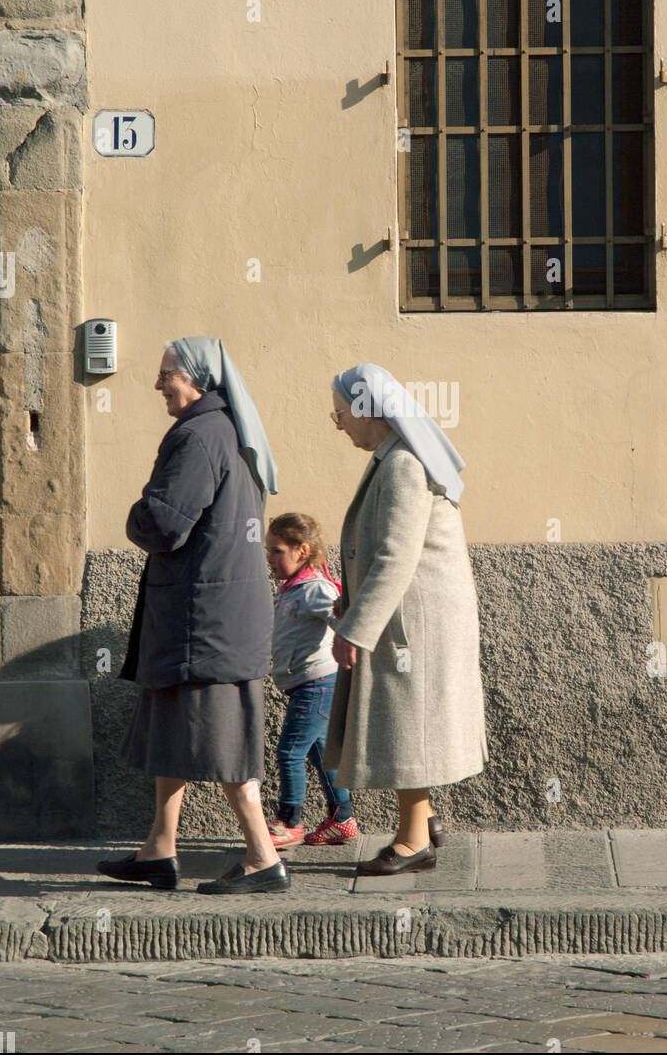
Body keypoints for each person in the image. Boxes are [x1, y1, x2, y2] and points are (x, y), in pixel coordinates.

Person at [96, 337, 290, 896]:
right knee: (176, 732)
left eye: (167, 375)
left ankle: (262, 858)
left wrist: (133, 514)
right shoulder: (226, 430)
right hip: (212, 616)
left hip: (203, 622)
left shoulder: (198, 436)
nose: (158, 385)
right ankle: (160, 848)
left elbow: (162, 521)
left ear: (198, 378)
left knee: (222, 741)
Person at [324, 363, 488, 875]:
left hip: (411, 624)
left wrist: (355, 629)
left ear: (368, 406)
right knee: (406, 724)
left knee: (405, 729)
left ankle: (414, 840)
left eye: (341, 411)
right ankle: (425, 818)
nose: (338, 422)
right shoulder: (394, 457)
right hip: (410, 617)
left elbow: (396, 556)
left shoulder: (402, 465)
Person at [265, 513, 358, 846]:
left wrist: (346, 632)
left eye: (277, 551)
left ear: (301, 551)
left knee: (289, 751)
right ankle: (343, 818)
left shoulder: (315, 588)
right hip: (308, 684)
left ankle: (289, 821)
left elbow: (342, 618)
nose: (270, 559)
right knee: (322, 755)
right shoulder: (293, 589)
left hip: (316, 685)